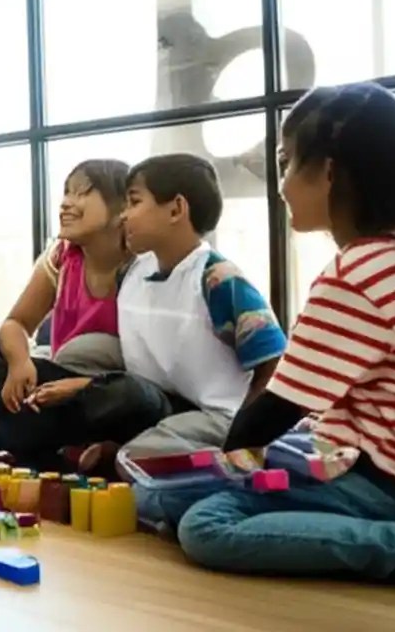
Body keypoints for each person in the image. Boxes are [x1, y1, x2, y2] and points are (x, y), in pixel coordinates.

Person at [172, 83, 395, 583]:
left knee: (204, 522)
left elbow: (273, 411)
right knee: (174, 493)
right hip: (379, 458)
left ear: (328, 172)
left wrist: (226, 468)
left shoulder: (356, 276)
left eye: (286, 163)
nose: (281, 184)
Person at [0, 160, 169, 473]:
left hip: (110, 392)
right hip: (54, 384)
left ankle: (2, 438)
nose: (66, 203)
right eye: (66, 193)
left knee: (136, 396)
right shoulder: (61, 257)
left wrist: (81, 387)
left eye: (82, 193)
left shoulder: (144, 264)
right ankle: (78, 448)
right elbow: (16, 323)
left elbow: (156, 375)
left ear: (122, 208)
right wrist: (20, 362)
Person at [116, 153, 288, 462]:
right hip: (165, 404)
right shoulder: (133, 273)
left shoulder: (220, 280)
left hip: (217, 416)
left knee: (134, 458)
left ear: (176, 209)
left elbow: (274, 362)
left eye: (134, 202)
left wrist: (245, 436)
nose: (123, 216)